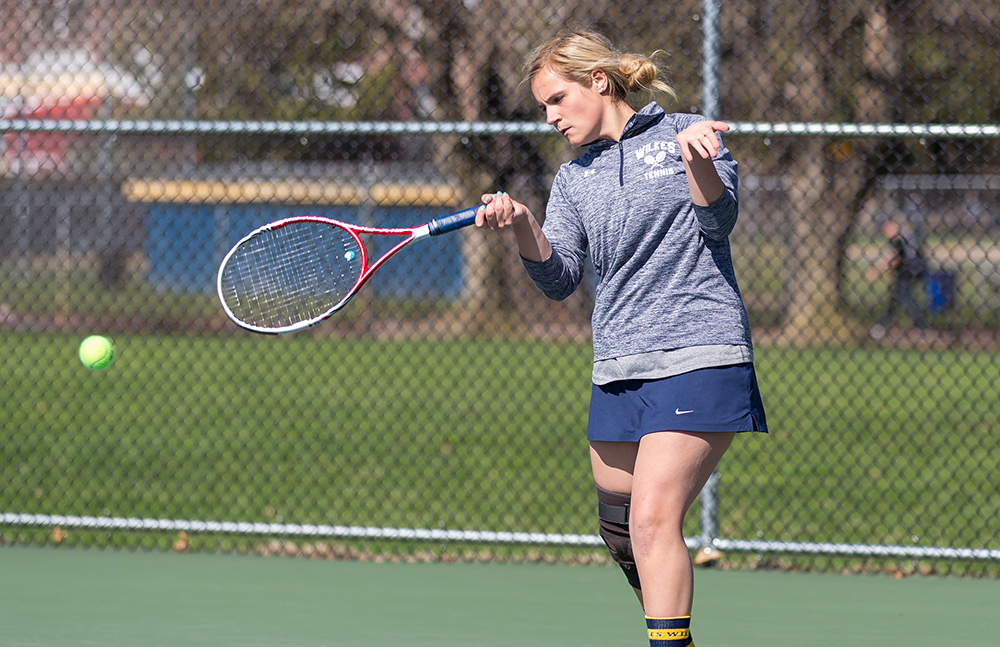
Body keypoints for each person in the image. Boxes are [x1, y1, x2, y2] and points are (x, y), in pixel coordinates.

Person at [475, 30, 767, 647]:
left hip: (700, 354)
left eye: (557, 99)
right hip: (617, 365)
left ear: (598, 83)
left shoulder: (687, 131)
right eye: (543, 107)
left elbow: (720, 218)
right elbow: (558, 280)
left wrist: (699, 164)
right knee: (621, 530)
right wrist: (526, 224)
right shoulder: (574, 178)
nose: (550, 117)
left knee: (653, 519)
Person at [867, 219, 927, 331]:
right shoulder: (897, 240)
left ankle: (920, 326)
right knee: (895, 298)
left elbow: (894, 259)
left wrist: (877, 270)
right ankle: (883, 324)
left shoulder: (900, 240)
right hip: (906, 272)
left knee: (904, 298)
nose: (886, 232)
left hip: (910, 272)